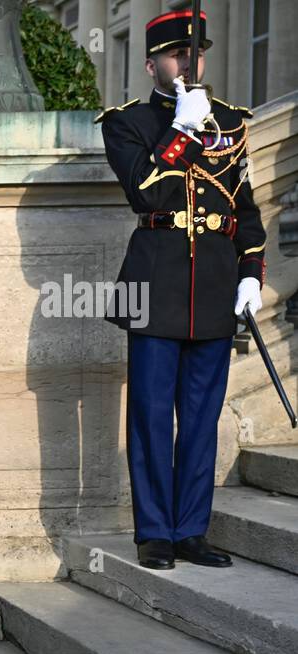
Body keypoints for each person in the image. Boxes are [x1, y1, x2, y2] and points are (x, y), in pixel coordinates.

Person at [98, 9, 264, 571]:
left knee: (200, 416)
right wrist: (183, 132)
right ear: (152, 65)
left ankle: (191, 530)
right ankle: (155, 533)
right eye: (177, 54)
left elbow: (243, 205)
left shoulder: (233, 122)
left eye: (196, 52)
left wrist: (250, 271)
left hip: (215, 281)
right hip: (154, 281)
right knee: (149, 412)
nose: (190, 61)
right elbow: (146, 193)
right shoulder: (127, 123)